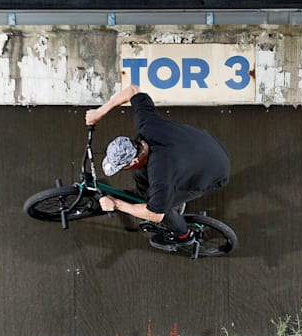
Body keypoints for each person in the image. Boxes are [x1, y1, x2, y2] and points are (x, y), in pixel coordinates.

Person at [84, 84, 230, 250]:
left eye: (122, 167)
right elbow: (133, 90)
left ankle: (184, 236)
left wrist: (116, 204)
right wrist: (99, 112)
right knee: (145, 182)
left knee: (162, 208)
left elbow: (155, 214)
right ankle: (154, 197)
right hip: (207, 145)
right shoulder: (147, 126)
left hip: (214, 173)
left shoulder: (160, 173)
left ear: (132, 161)